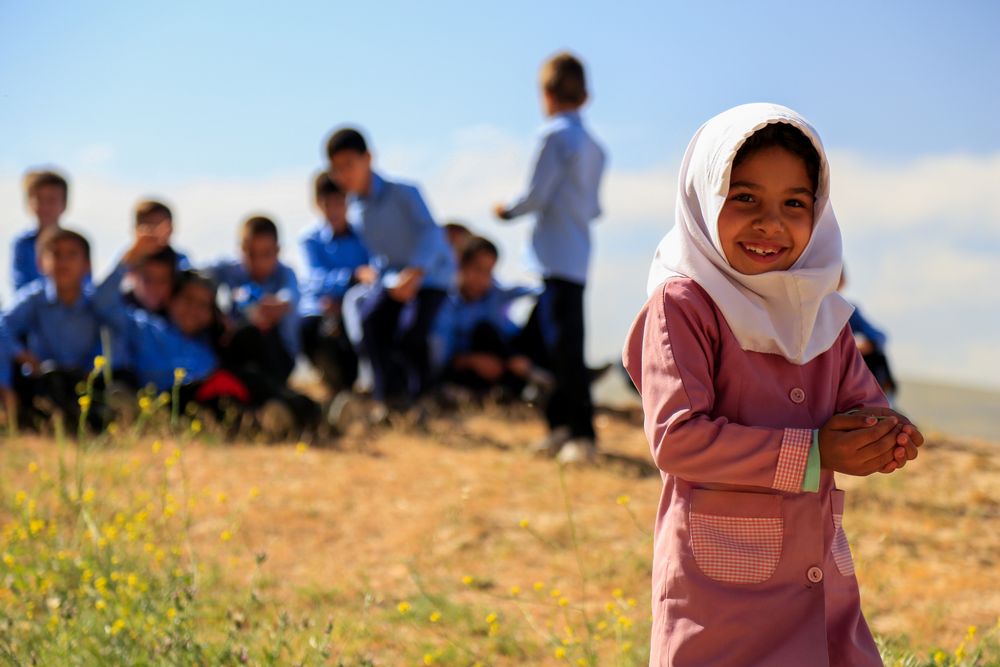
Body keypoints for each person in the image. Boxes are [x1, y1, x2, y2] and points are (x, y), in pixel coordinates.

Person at [622, 104, 925, 667]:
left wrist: (887, 435)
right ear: (704, 199)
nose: (771, 223)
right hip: (721, 595)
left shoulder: (821, 312)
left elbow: (862, 404)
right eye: (745, 199)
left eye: (794, 204)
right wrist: (812, 452)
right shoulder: (683, 305)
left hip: (819, 580)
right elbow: (677, 439)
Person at [493, 52, 606, 463]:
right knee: (542, 346)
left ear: (546, 94)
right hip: (576, 255)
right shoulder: (596, 147)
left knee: (563, 351)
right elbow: (594, 208)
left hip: (553, 258)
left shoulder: (552, 136)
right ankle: (560, 426)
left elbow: (534, 196)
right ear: (586, 95)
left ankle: (583, 434)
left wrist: (505, 210)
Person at [325, 127, 455, 413]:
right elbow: (379, 256)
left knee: (412, 332)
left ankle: (426, 399)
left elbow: (431, 234)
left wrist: (417, 271)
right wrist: (389, 280)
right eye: (337, 169)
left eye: (349, 164)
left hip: (432, 277)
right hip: (395, 281)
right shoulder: (357, 210)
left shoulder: (405, 193)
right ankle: (390, 401)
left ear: (368, 158)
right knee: (371, 321)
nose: (344, 174)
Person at [1, 228, 118, 430]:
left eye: (72, 255)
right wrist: (22, 355)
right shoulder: (33, 298)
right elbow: (3, 325)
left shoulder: (96, 302)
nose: (63, 262)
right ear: (40, 263)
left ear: (87, 265)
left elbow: (114, 337)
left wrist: (94, 367)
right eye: (55, 254)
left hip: (85, 381)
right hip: (40, 382)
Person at [431, 235, 543, 396]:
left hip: (504, 361)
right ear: (460, 265)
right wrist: (471, 360)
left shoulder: (495, 295)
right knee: (482, 331)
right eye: (478, 269)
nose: (483, 279)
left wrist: (511, 359)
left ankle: (536, 380)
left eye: (489, 272)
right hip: (463, 367)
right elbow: (439, 356)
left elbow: (535, 292)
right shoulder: (442, 303)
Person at [299, 171, 372, 395]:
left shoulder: (365, 235)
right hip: (322, 312)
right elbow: (315, 280)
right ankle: (336, 388)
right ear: (316, 204)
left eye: (339, 202)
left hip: (358, 306)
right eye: (326, 203)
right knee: (310, 329)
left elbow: (373, 274)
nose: (333, 210)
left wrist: (345, 296)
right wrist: (351, 278)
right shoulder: (310, 240)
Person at [839, 269, 897, 402]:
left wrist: (856, 346)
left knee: (877, 354)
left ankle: (881, 396)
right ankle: (881, 398)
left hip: (845, 365)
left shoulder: (847, 310)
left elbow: (880, 337)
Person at [11, 169, 69, 292]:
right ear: (29, 203)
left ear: (64, 204)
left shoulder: (75, 245)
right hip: (30, 309)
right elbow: (20, 288)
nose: (45, 206)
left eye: (51, 200)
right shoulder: (22, 244)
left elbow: (85, 287)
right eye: (39, 199)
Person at [133, 200, 191, 269]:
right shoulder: (129, 262)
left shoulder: (180, 262)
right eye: (148, 227)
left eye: (159, 226)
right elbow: (118, 277)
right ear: (136, 229)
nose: (154, 233)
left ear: (170, 229)